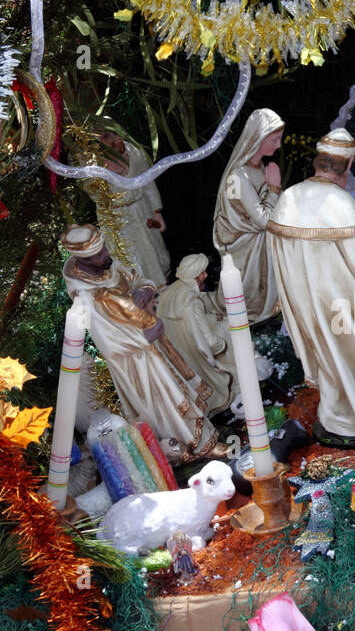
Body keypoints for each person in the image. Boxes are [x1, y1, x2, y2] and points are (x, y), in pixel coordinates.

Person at [266, 129, 355, 446]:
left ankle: (339, 413)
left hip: (308, 302)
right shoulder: (340, 201)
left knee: (332, 359)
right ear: (346, 166)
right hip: (345, 299)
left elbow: (277, 254)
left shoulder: (289, 197)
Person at [60, 225, 225, 463]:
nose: (106, 255)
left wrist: (145, 290)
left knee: (177, 390)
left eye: (104, 249)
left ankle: (201, 440)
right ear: (81, 259)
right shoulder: (85, 296)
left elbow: (137, 278)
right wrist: (144, 337)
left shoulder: (106, 265)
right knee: (162, 402)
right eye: (97, 255)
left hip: (152, 344)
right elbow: (106, 341)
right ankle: (189, 449)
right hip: (134, 360)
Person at [212, 108, 284, 322]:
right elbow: (263, 221)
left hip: (258, 242)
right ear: (258, 137)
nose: (278, 145)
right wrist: (273, 189)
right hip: (243, 246)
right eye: (275, 139)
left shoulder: (258, 165)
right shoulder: (238, 176)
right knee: (246, 298)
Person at [92, 128, 172, 289]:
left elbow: (148, 182)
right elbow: (93, 193)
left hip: (141, 209)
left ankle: (162, 289)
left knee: (153, 251)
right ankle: (136, 294)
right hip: (116, 216)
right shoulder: (91, 161)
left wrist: (157, 212)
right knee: (129, 257)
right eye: (104, 136)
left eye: (111, 134)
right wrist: (106, 172)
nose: (112, 138)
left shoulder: (133, 151)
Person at [157, 254, 235, 416]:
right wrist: (224, 343)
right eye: (202, 272)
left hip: (175, 353)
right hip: (194, 355)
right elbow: (206, 341)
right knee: (230, 329)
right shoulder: (191, 302)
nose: (205, 275)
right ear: (194, 275)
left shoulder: (169, 292)